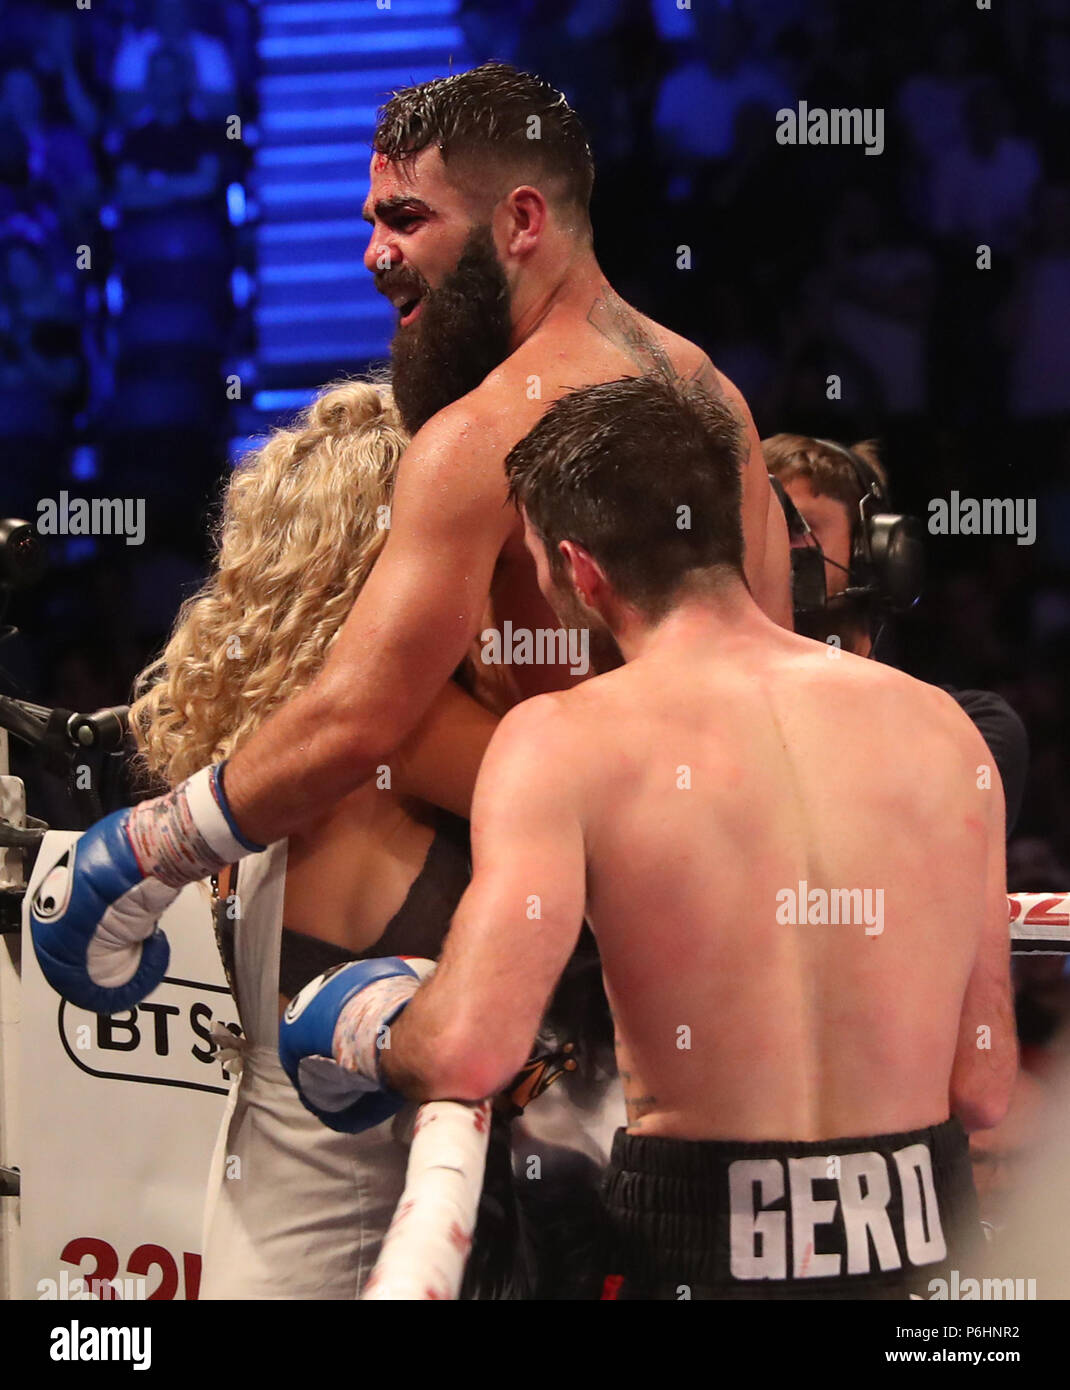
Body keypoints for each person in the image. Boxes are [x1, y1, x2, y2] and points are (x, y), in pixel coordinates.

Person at [29, 62, 790, 1035]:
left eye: (404, 218)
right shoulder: (716, 399)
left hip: (605, 928)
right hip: (737, 917)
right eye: (367, 222)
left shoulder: (481, 438)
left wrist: (150, 844)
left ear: (520, 222)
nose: (371, 254)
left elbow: (357, 717)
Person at [279, 375, 1016, 1300]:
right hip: (930, 1254)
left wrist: (360, 1029)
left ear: (578, 570)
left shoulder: (564, 741)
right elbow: (986, 1083)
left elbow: (471, 1046)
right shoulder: (944, 728)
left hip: (700, 1248)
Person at [125, 380, 505, 1298]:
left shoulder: (280, 734)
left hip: (264, 1233)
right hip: (345, 1254)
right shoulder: (404, 732)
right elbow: (615, 812)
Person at [763, 432, 1029, 833]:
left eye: (799, 527)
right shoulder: (709, 724)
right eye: (761, 532)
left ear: (874, 549)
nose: (777, 551)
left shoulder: (970, 727)